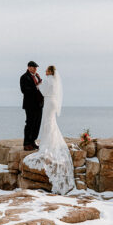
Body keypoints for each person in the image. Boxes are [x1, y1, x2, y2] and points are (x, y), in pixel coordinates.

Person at [23, 65, 74, 194]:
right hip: (52, 102)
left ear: (50, 72)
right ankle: (50, 140)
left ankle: (47, 142)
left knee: (47, 122)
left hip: (48, 102)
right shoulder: (54, 81)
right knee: (50, 122)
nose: (44, 71)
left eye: (46, 69)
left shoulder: (47, 80)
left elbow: (43, 91)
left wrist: (39, 85)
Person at [20, 61, 44, 151]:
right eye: (34, 67)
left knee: (37, 124)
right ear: (29, 67)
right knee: (29, 123)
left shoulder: (37, 76)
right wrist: (36, 87)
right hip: (30, 104)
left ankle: (33, 141)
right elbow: (24, 90)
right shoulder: (24, 77)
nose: (35, 69)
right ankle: (26, 143)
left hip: (39, 104)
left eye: (36, 68)